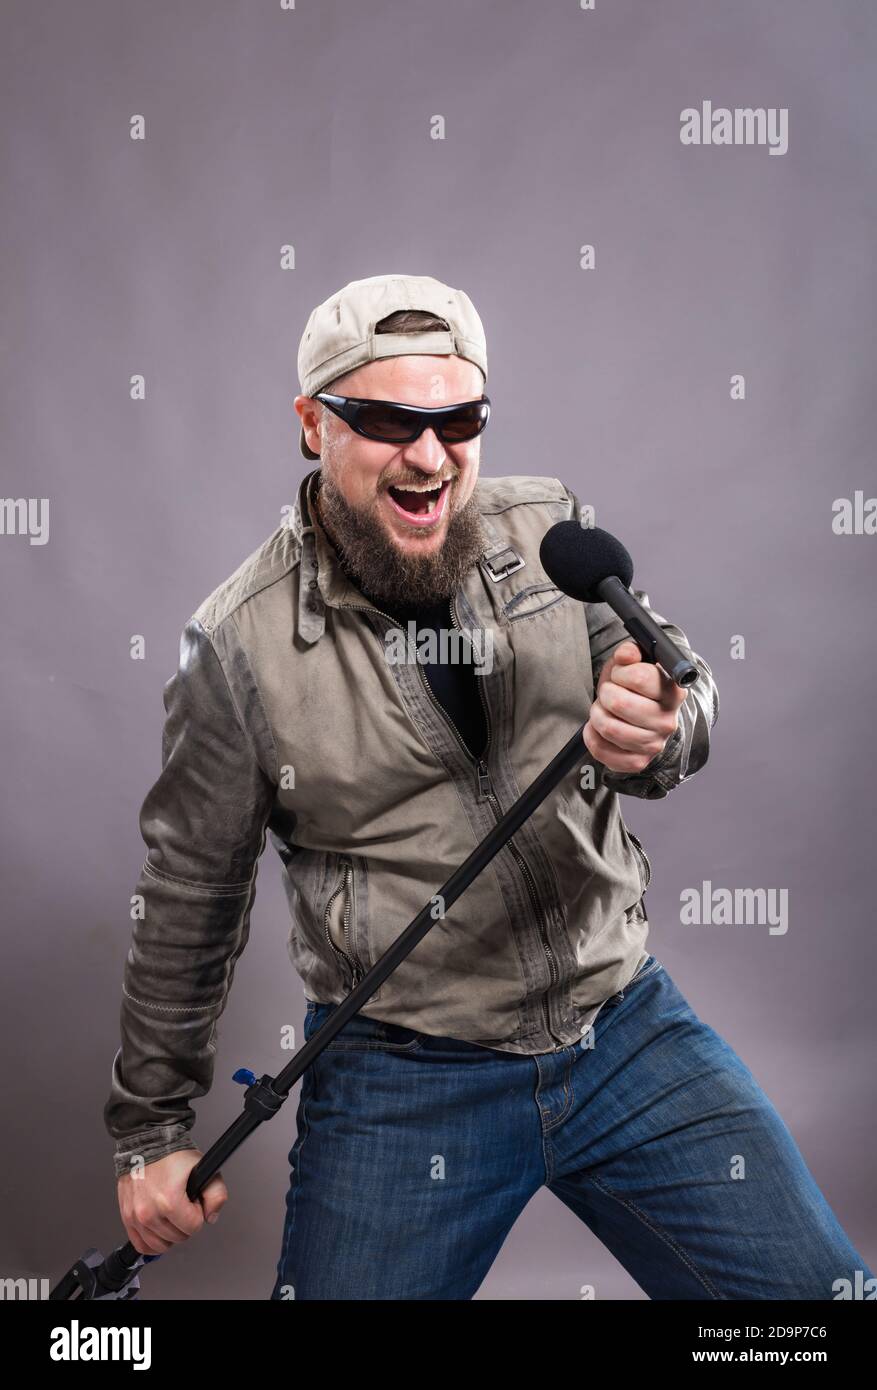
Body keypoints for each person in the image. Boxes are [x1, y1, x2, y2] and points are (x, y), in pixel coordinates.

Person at [105, 273, 872, 1300]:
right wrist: (149, 1132)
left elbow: (680, 684)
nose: (430, 456)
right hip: (404, 1079)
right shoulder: (239, 647)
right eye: (386, 419)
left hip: (623, 1030)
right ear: (309, 423)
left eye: (458, 418)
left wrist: (664, 726)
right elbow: (191, 905)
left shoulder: (551, 532)